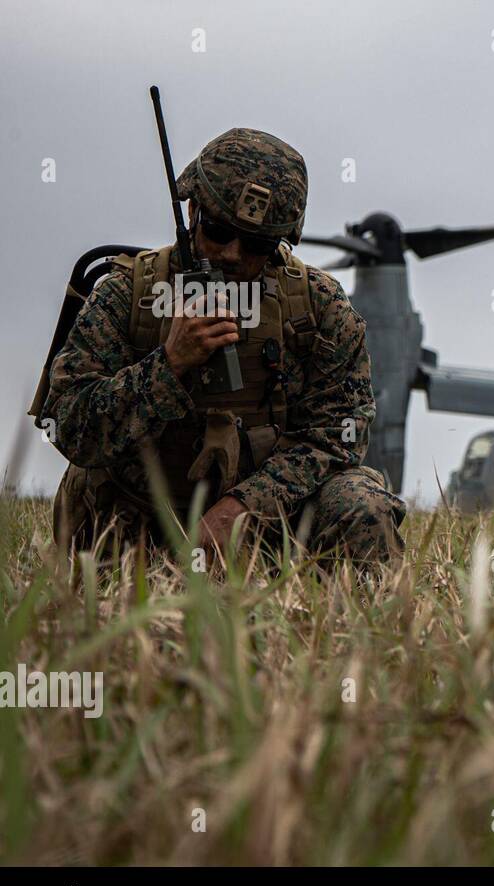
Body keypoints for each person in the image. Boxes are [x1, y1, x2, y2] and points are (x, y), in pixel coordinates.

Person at [42, 128, 405, 564]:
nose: (232, 255)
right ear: (193, 211)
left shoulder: (317, 307)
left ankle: (353, 624)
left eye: (255, 244)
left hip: (262, 528)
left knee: (362, 505)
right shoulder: (128, 293)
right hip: (135, 522)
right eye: (217, 232)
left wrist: (246, 506)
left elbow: (339, 438)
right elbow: (67, 425)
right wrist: (168, 367)